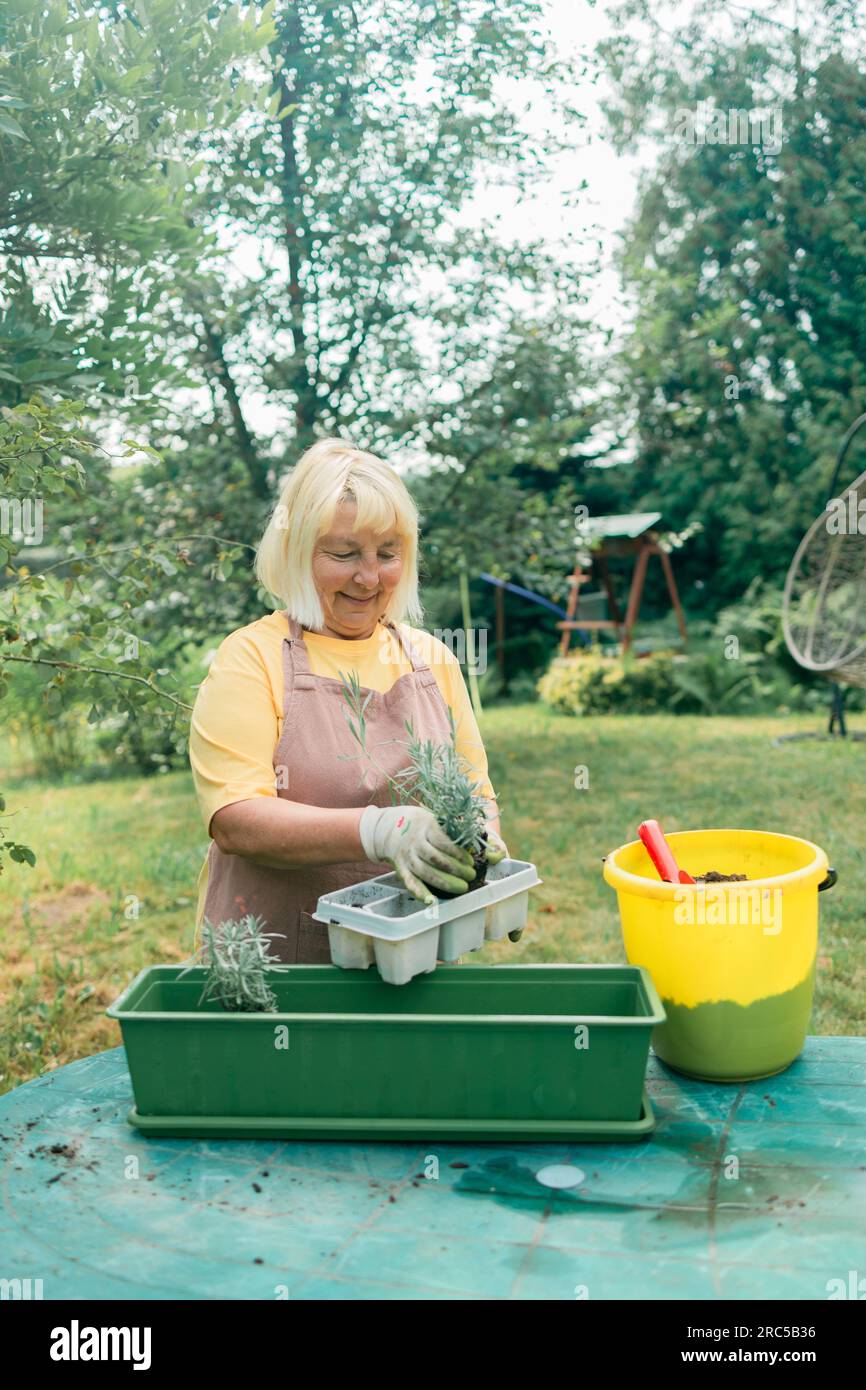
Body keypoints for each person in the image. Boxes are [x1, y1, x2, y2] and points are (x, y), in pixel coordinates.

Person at [188, 436, 507, 963]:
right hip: (279, 967)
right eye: (344, 554)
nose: (369, 576)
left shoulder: (432, 659)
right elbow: (236, 819)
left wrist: (489, 862)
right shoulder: (250, 658)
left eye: (388, 554)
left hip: (414, 956)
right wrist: (382, 829)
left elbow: (474, 792)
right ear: (296, 552)